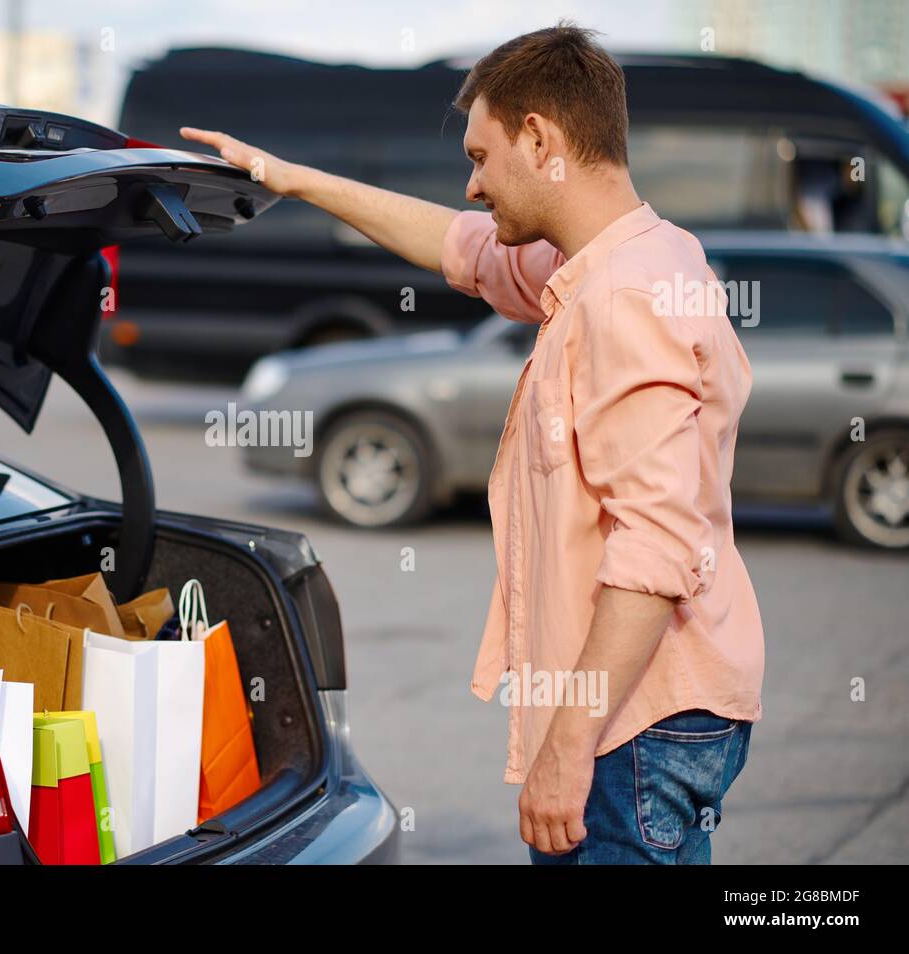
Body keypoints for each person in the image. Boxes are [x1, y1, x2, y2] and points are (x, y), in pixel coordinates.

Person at [181, 21, 764, 864]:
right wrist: (293, 180)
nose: (472, 184)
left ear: (540, 138)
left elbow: (656, 549)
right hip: (634, 718)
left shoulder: (627, 296)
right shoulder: (618, 258)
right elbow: (459, 250)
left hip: (632, 727)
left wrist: (569, 747)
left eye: (482, 156)